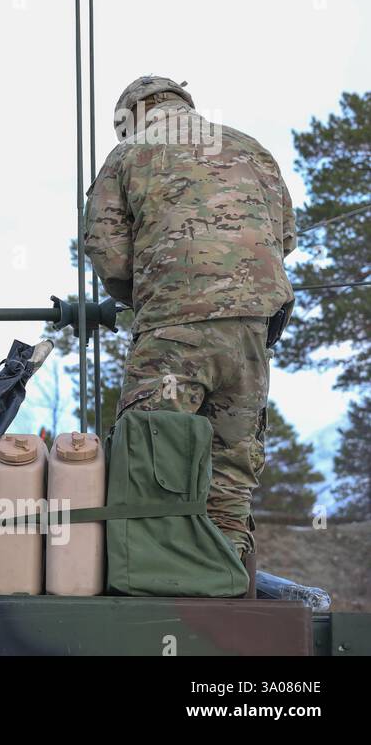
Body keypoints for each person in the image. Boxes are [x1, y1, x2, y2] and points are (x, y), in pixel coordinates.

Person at [84, 75, 296, 585]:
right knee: (230, 472)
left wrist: (152, 294)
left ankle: (153, 591)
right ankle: (224, 591)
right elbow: (284, 236)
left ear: (129, 117)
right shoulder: (253, 148)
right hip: (251, 329)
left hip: (173, 331)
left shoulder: (130, 153)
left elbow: (106, 249)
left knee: (152, 458)